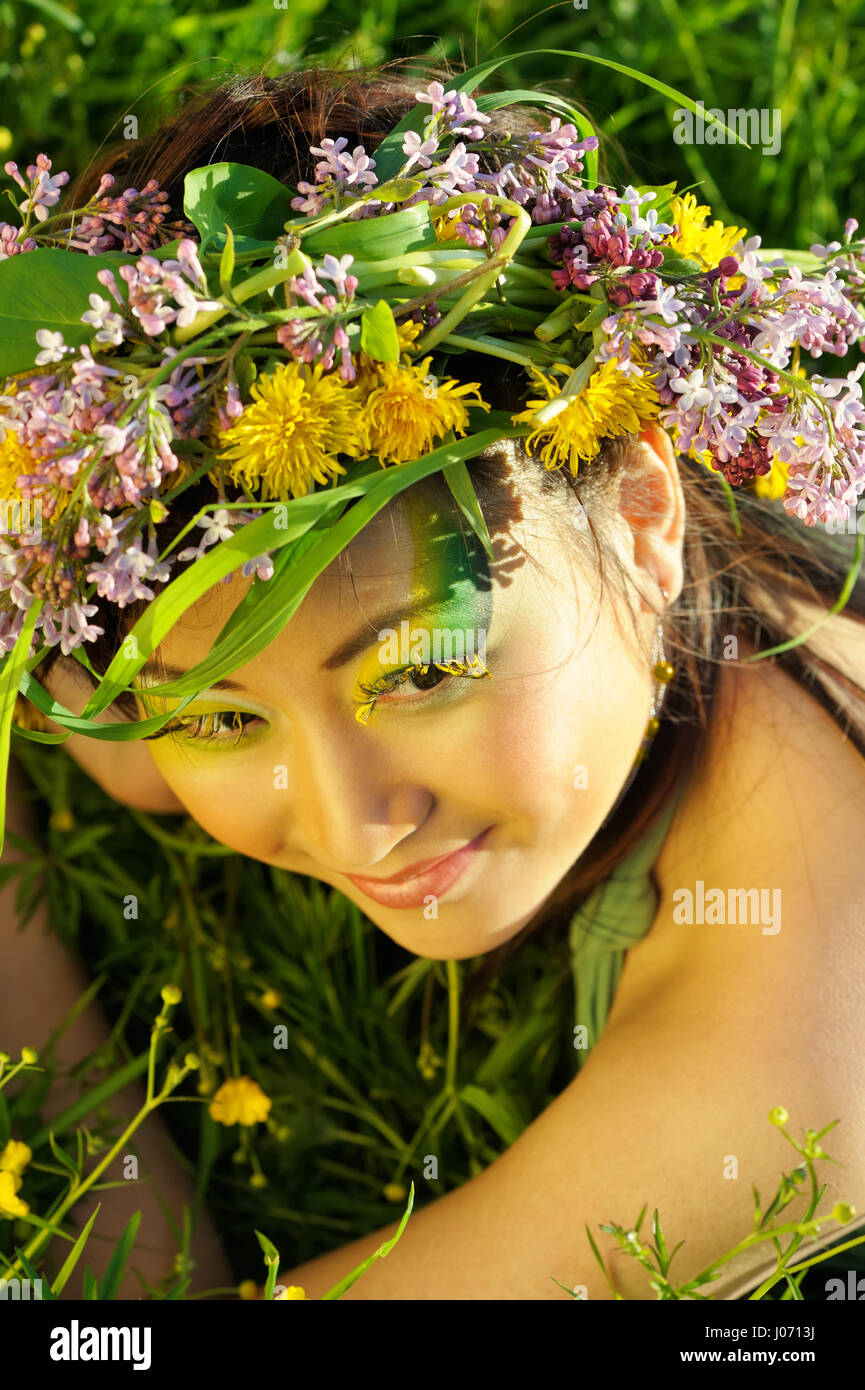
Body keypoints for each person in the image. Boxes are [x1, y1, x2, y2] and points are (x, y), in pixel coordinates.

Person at [3, 60, 865, 1301]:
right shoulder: (604, 572)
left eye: (419, 672)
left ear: (638, 510)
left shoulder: (792, 1052)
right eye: (223, 714)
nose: (357, 826)